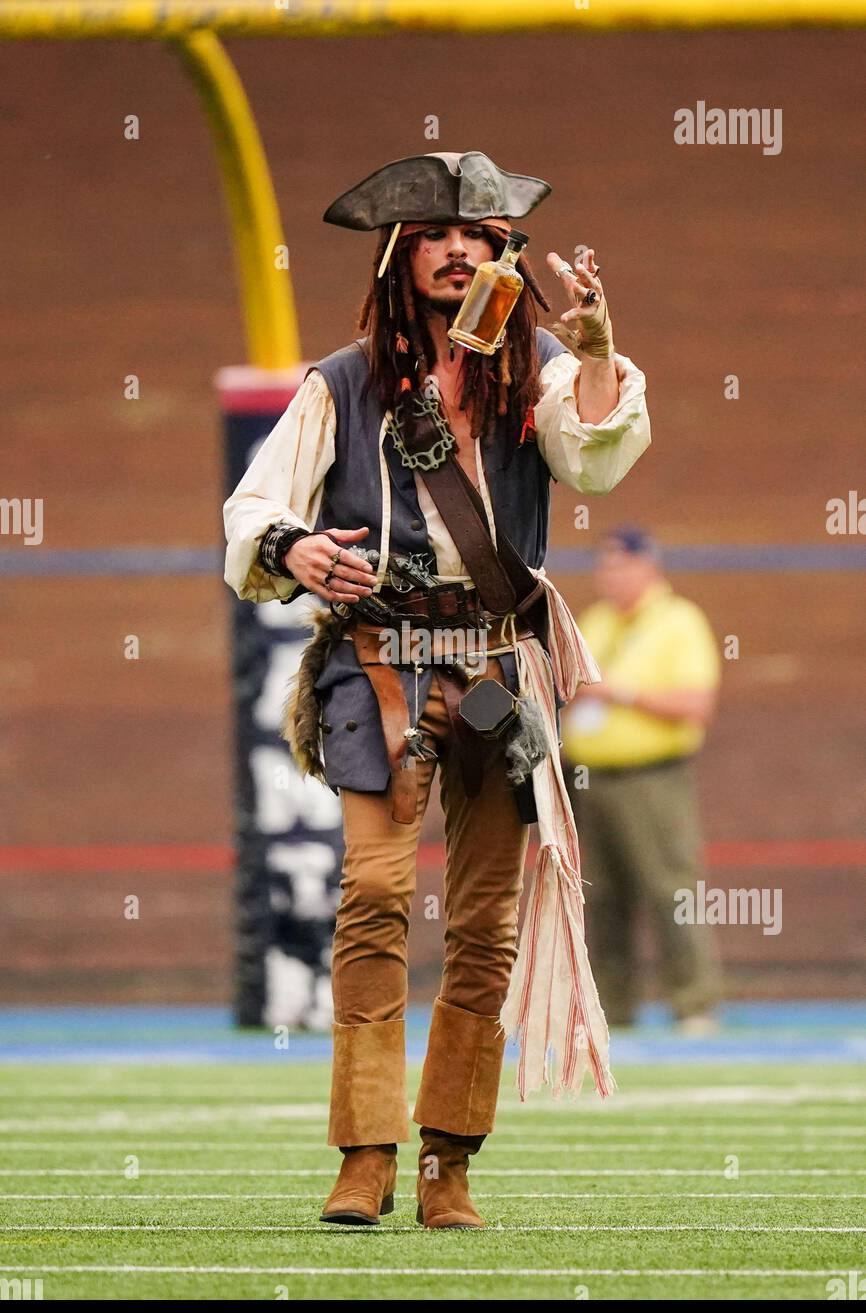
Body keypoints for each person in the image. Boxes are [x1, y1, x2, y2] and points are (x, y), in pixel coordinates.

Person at [223, 151, 651, 1229]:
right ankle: (364, 1152)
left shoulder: (545, 362)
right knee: (370, 897)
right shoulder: (340, 382)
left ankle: (447, 1160)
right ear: (397, 257)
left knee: (484, 924)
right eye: (433, 233)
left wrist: (597, 351)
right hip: (374, 663)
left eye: (478, 232)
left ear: (504, 252)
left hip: (501, 671)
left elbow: (595, 456)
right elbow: (252, 513)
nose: (458, 247)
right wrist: (294, 548)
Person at [562, 525, 724, 1035]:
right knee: (604, 896)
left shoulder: (679, 622)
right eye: (603, 566)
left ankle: (694, 1003)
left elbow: (695, 706)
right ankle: (613, 1007)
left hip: (652, 779)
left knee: (671, 887)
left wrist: (620, 694)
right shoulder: (595, 620)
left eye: (620, 566)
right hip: (591, 779)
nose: (609, 577)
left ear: (648, 567)